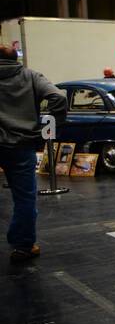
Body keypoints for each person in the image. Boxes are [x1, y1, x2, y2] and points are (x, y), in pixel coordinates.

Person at [0, 44, 68, 262]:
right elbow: (59, 97)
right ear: (16, 58)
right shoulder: (30, 75)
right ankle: (22, 246)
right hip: (21, 145)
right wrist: (46, 130)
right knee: (25, 198)